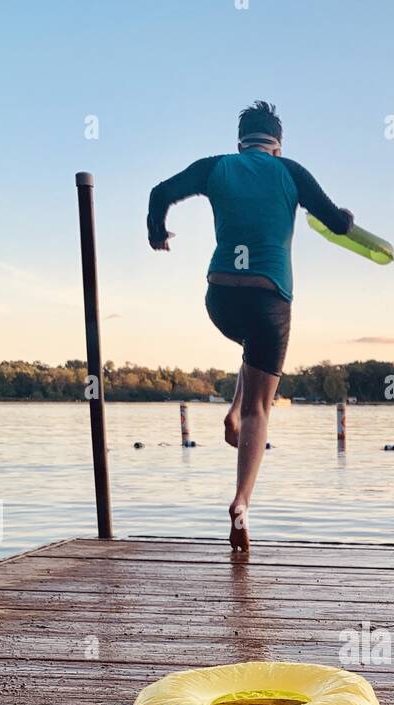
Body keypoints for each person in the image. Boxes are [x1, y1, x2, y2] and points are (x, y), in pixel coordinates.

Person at [147, 101, 353, 550]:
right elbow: (336, 222)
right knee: (263, 404)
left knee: (250, 356)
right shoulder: (292, 173)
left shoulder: (215, 167)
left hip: (220, 297)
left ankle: (232, 411)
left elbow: (159, 192)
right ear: (277, 145)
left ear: (240, 141)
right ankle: (242, 500)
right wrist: (348, 221)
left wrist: (156, 233)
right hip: (269, 298)